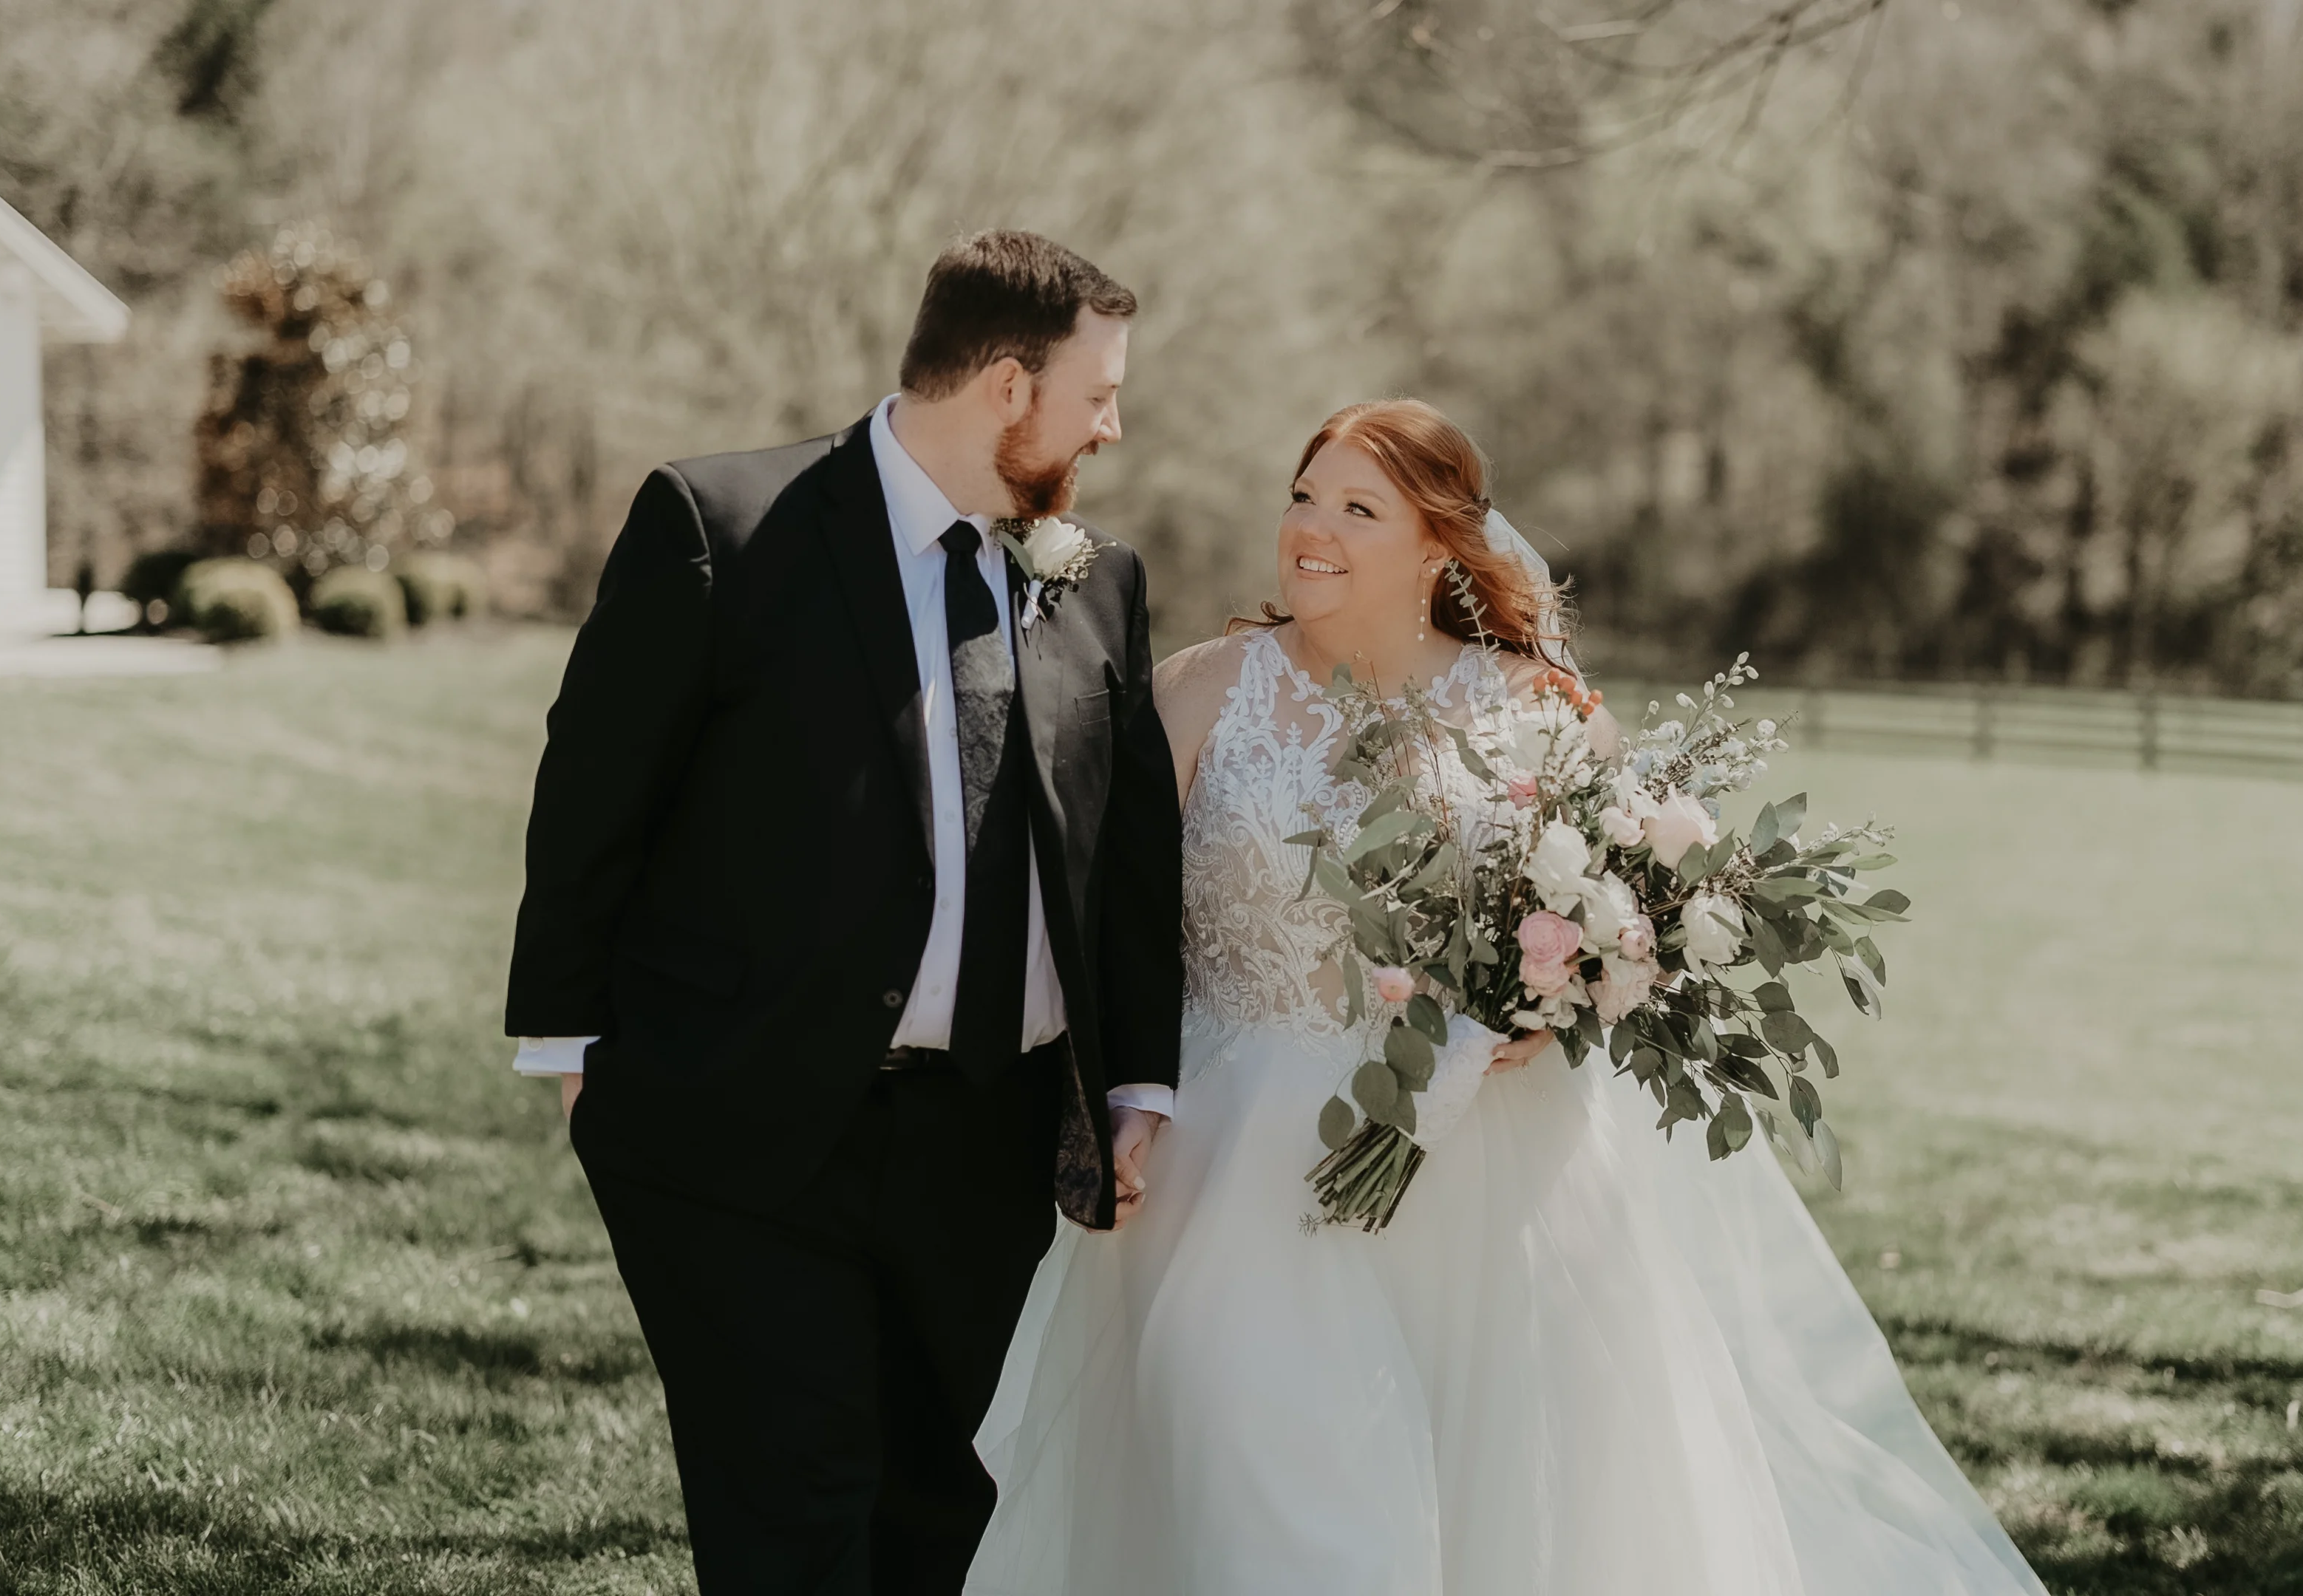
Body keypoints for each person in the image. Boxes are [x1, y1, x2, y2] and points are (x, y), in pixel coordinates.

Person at [967, 398, 2050, 1595]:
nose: (1311, 530)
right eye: (1303, 497)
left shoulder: (1541, 709)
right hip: (1230, 1168)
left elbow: (1627, 915)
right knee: (1269, 1499)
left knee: (1512, 1511)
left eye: (1358, 509)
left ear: (1440, 544)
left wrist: (1568, 993)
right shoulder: (1199, 693)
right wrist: (1115, 1101)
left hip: (1493, 1170)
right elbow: (1110, 921)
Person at [503, 230, 1184, 1595]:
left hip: (990, 1138)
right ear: (1007, 386)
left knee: (945, 1510)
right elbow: (593, 794)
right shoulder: (725, 525)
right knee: (796, 1510)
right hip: (746, 1124)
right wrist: (573, 1060)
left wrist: (1137, 1082)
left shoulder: (1094, 578)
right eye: (1097, 395)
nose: (1111, 429)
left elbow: (1127, 851)